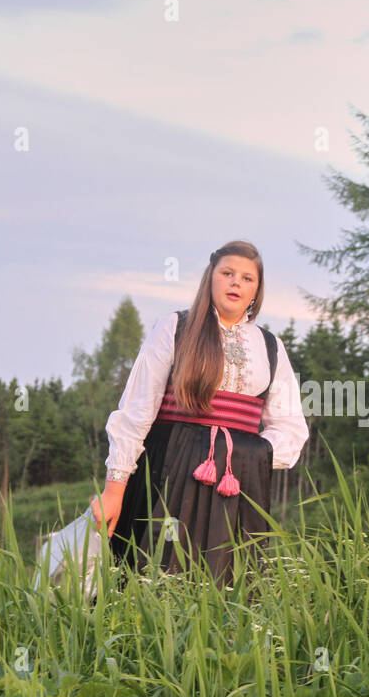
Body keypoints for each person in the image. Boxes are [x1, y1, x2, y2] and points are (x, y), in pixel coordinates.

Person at [92, 240, 309, 587]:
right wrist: (113, 490)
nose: (236, 283)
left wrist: (246, 454)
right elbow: (136, 412)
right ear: (211, 279)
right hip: (166, 471)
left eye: (247, 278)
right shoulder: (175, 328)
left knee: (226, 588)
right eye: (227, 273)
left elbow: (290, 428)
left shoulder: (270, 346)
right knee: (151, 578)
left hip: (235, 484)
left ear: (257, 290)